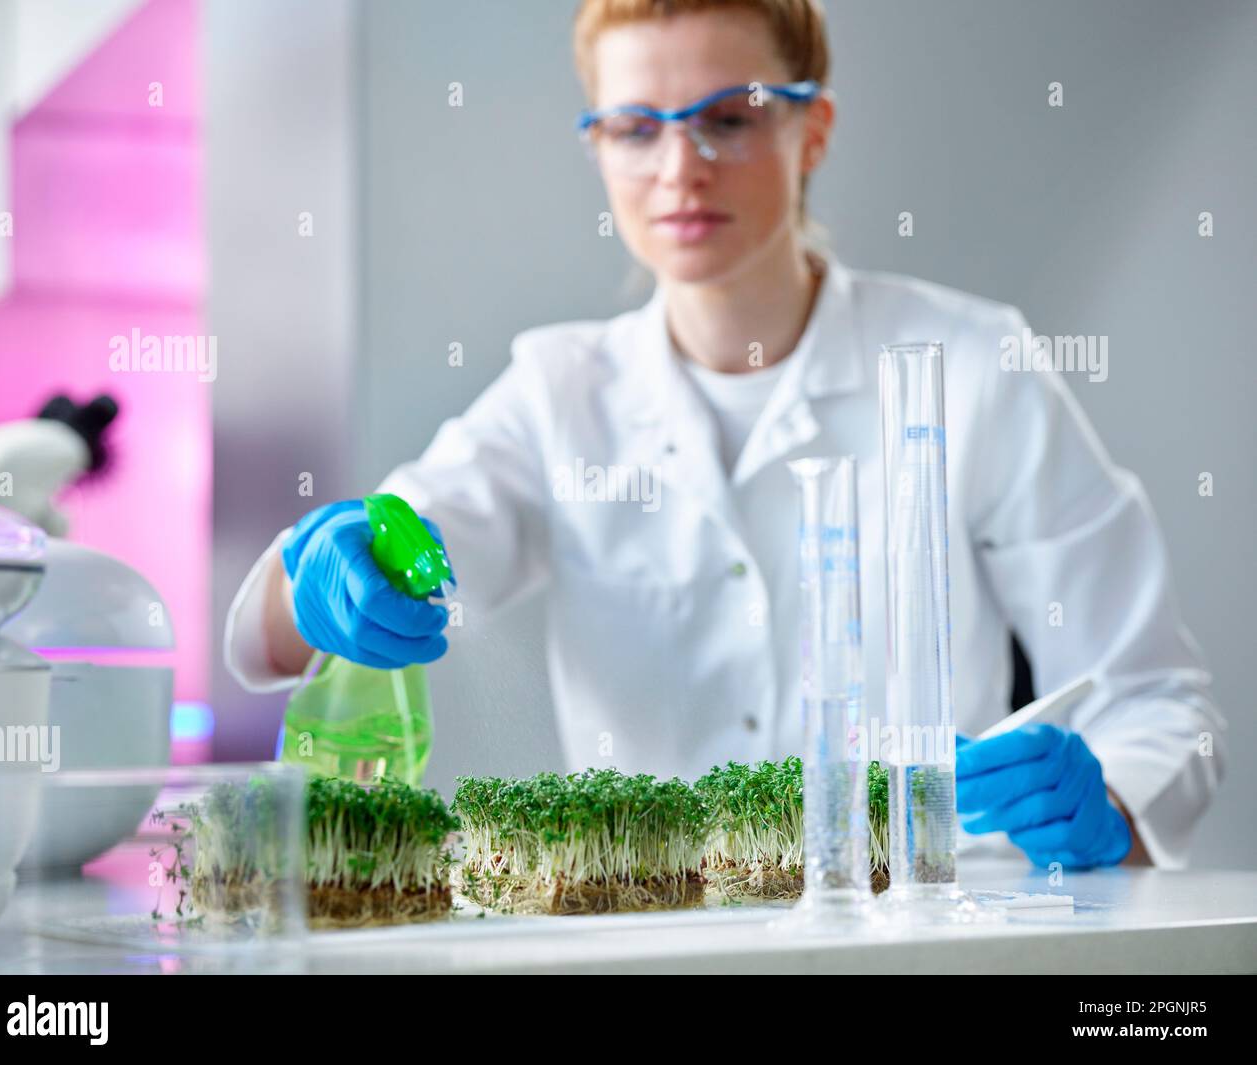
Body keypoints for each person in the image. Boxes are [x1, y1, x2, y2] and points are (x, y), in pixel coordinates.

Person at [225, 0, 1224, 871]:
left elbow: (1155, 698)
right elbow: (332, 590)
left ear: (812, 130)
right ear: (597, 144)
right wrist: (317, 572)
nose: (679, 168)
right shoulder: (557, 394)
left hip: (929, 933)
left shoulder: (970, 369)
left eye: (729, 119)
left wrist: (1110, 807)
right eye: (634, 128)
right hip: (655, 937)